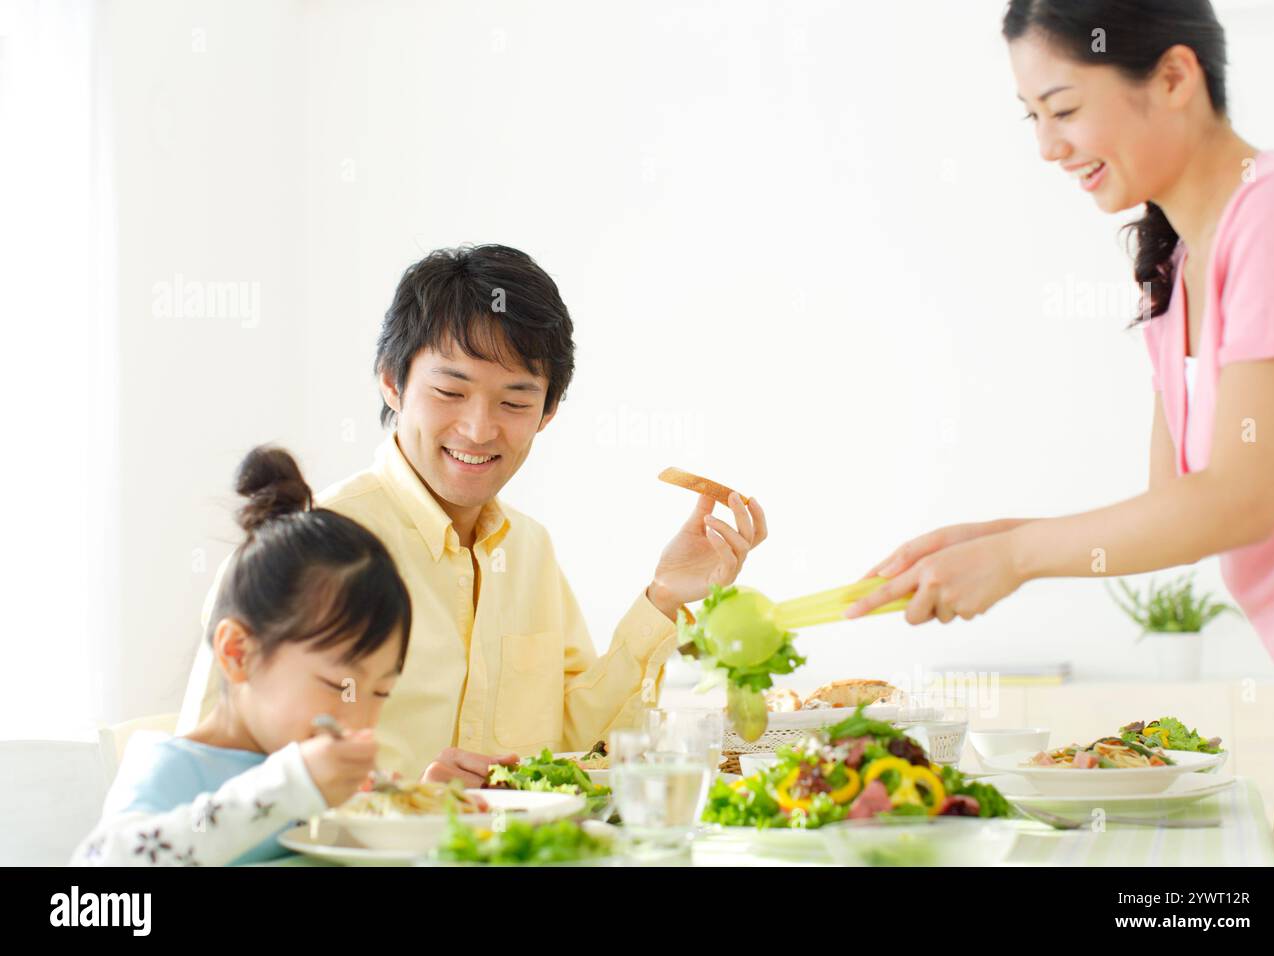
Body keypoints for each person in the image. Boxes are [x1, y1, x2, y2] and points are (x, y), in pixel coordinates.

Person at [180, 244, 768, 782]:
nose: (479, 428)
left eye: (515, 401)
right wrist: (405, 797)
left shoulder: (529, 549)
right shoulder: (308, 547)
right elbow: (211, 784)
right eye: (449, 392)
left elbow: (574, 744)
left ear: (548, 412)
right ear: (392, 381)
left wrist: (663, 598)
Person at [848, 0, 1274, 700]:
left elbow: (1242, 502)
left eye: (1063, 108)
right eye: (1033, 116)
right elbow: (1180, 508)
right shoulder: (1176, 273)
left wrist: (1017, 558)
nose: (1047, 147)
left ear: (1175, 77)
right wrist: (990, 546)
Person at [73, 446, 412, 865]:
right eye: (338, 685)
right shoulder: (176, 770)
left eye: (381, 693)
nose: (360, 720)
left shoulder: (312, 774)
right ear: (238, 653)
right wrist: (288, 786)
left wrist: (416, 806)